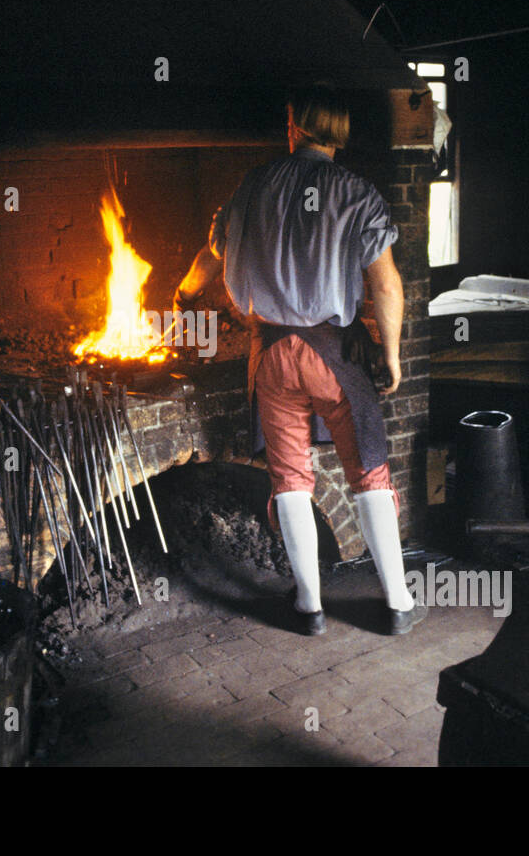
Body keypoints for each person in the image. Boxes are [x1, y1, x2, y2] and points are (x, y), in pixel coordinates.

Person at [172, 83, 426, 637]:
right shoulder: (355, 192)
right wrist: (391, 353)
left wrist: (183, 296)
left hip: (268, 357)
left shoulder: (250, 186)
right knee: (368, 474)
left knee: (289, 479)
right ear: (342, 132)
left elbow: (208, 259)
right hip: (333, 355)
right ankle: (399, 603)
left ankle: (309, 607)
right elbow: (385, 283)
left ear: (295, 127)